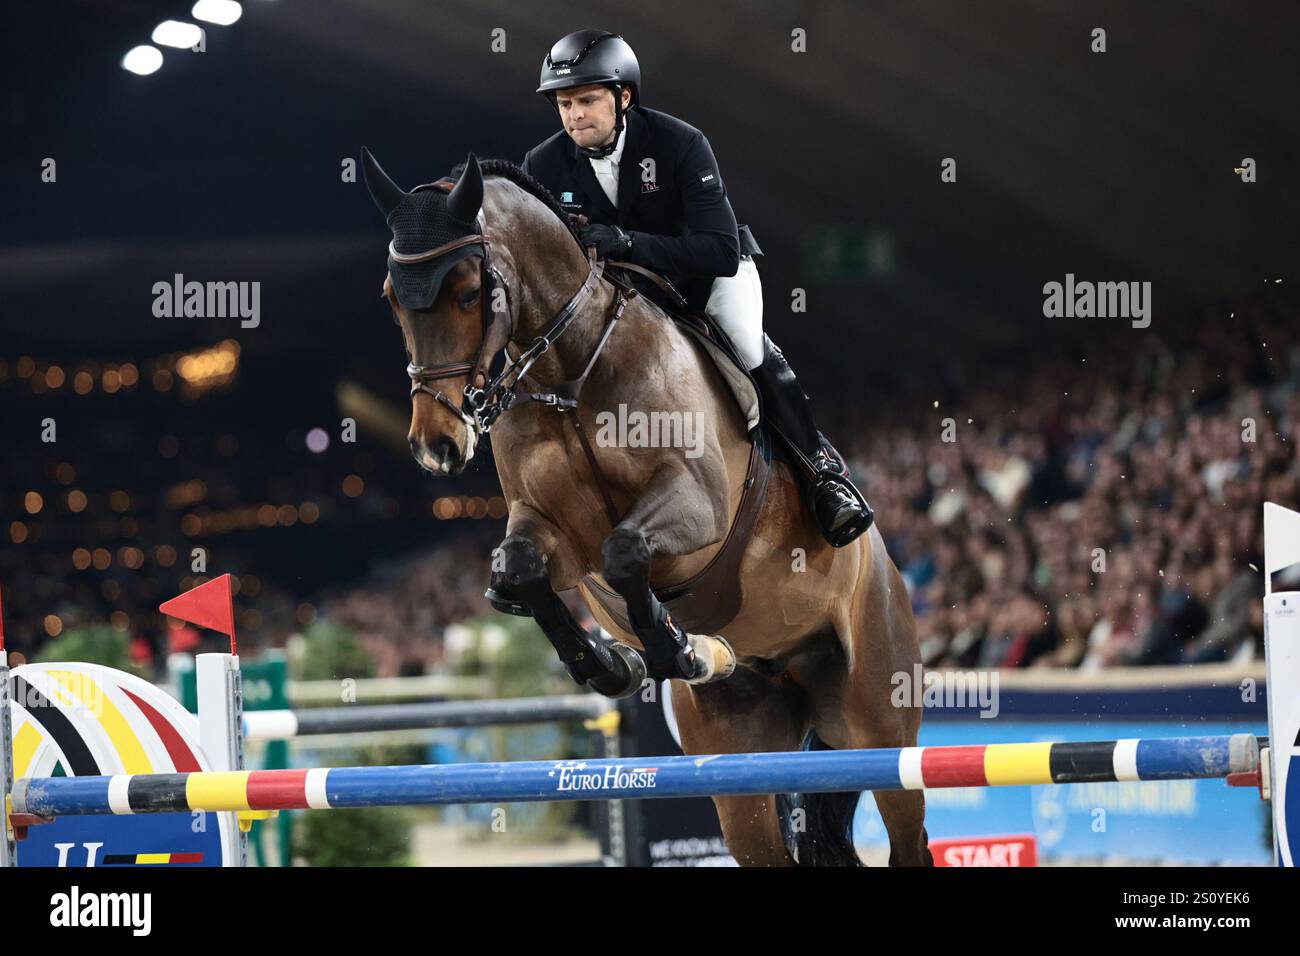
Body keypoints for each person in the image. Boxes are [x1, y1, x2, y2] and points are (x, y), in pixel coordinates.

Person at [521, 29, 872, 547]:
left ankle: (822, 474)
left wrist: (626, 243)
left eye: (588, 100)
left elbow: (718, 249)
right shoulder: (542, 165)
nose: (574, 116)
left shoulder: (680, 142)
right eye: (565, 104)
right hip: (626, 303)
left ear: (623, 97)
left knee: (746, 343)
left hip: (709, 281)